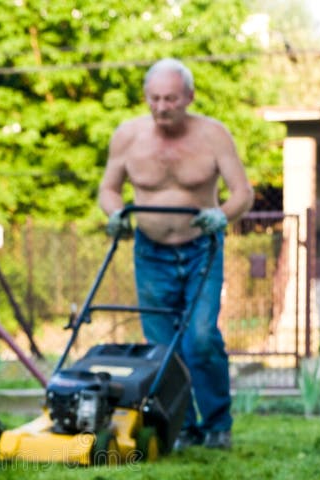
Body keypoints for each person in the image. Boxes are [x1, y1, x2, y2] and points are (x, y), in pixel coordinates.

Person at [98, 57, 254, 450]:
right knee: (163, 347)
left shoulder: (214, 135)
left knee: (200, 338)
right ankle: (181, 427)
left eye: (170, 99)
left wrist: (221, 215)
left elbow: (243, 193)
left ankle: (218, 426)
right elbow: (109, 188)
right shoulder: (128, 136)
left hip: (202, 248)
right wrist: (115, 213)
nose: (161, 107)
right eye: (154, 99)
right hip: (151, 254)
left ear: (189, 97)